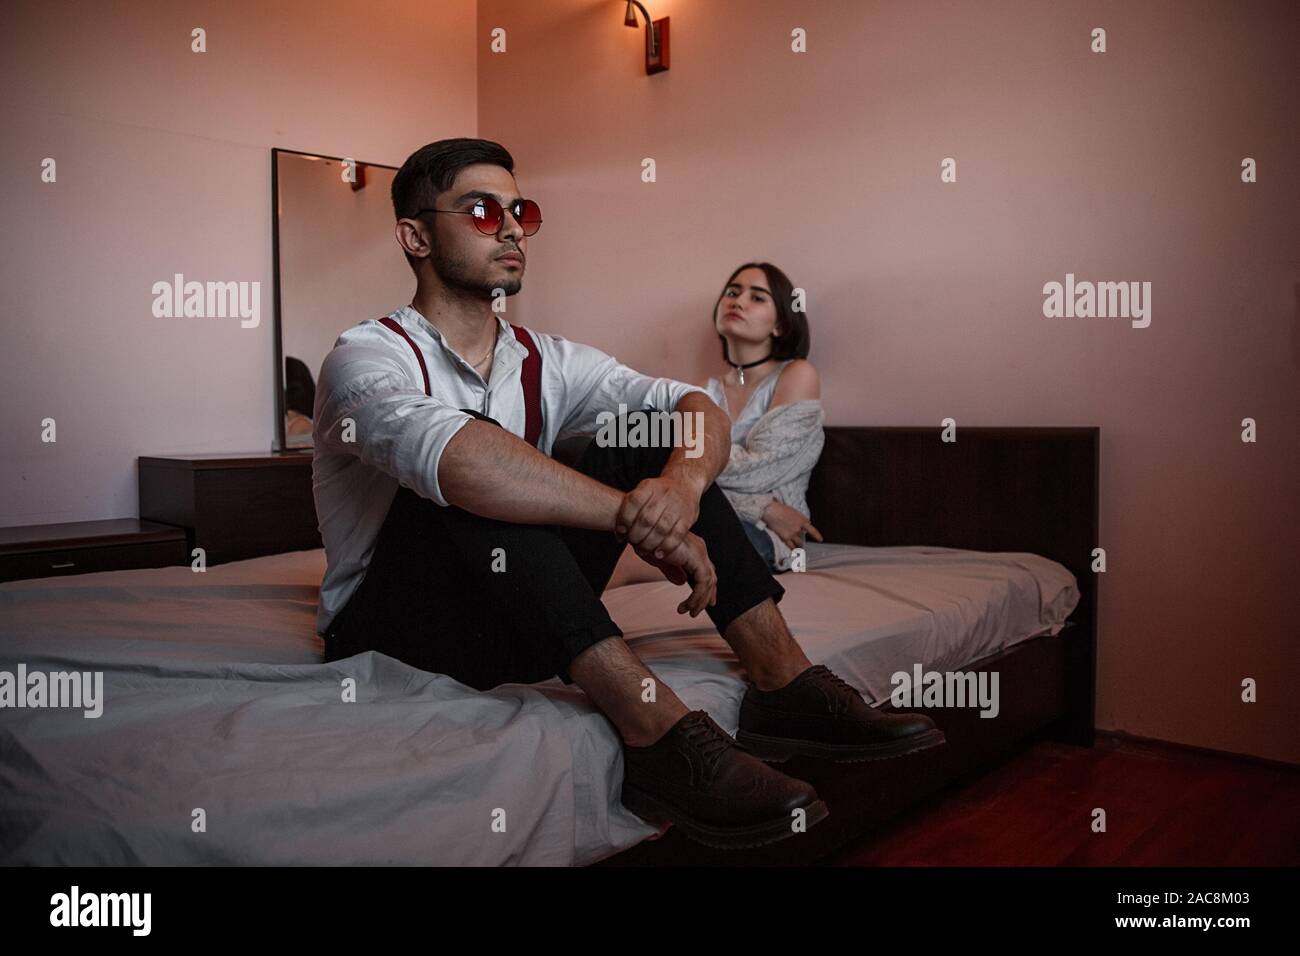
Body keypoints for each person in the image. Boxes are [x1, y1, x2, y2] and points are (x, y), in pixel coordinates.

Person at [311, 138, 944, 850]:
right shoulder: (365, 356)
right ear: (415, 235)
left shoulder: (546, 357)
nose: (514, 228)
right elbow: (462, 461)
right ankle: (658, 733)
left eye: (523, 211)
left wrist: (678, 486)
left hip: (511, 621)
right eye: (484, 211)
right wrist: (637, 518)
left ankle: (782, 679)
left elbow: (693, 410)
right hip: (393, 625)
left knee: (648, 429)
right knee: (488, 473)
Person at [703, 263, 825, 572]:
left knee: (641, 553)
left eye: (757, 297)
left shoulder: (797, 375)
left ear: (780, 326)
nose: (738, 301)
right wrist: (764, 507)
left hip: (768, 536)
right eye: (732, 293)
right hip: (716, 516)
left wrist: (695, 466)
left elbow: (760, 469)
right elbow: (679, 472)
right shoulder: (703, 393)